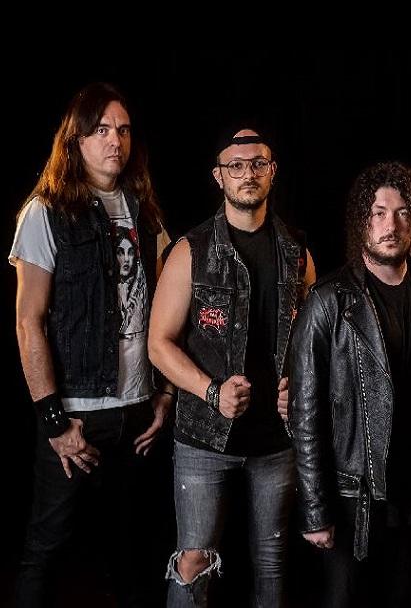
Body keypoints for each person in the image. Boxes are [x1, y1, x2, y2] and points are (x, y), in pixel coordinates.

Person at [10, 82, 173, 606]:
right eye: (100, 129)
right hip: (76, 414)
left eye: (122, 130)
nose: (114, 141)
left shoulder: (145, 212)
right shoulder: (45, 212)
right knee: (47, 548)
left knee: (131, 551)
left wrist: (165, 393)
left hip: (137, 412)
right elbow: (28, 323)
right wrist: (54, 422)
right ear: (76, 139)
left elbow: (169, 310)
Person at [288, 161, 411, 608]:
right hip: (354, 499)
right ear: (363, 221)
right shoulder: (329, 301)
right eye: (378, 213)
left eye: (402, 213)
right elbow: (305, 413)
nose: (391, 225)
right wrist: (315, 509)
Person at [148, 127, 316, 607]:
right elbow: (158, 344)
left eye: (258, 163)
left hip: (275, 442)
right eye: (236, 166)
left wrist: (298, 385)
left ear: (272, 171)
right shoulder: (191, 250)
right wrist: (211, 390)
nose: (248, 174)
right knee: (192, 562)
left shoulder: (298, 253)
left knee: (273, 565)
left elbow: (313, 342)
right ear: (218, 176)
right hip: (204, 439)